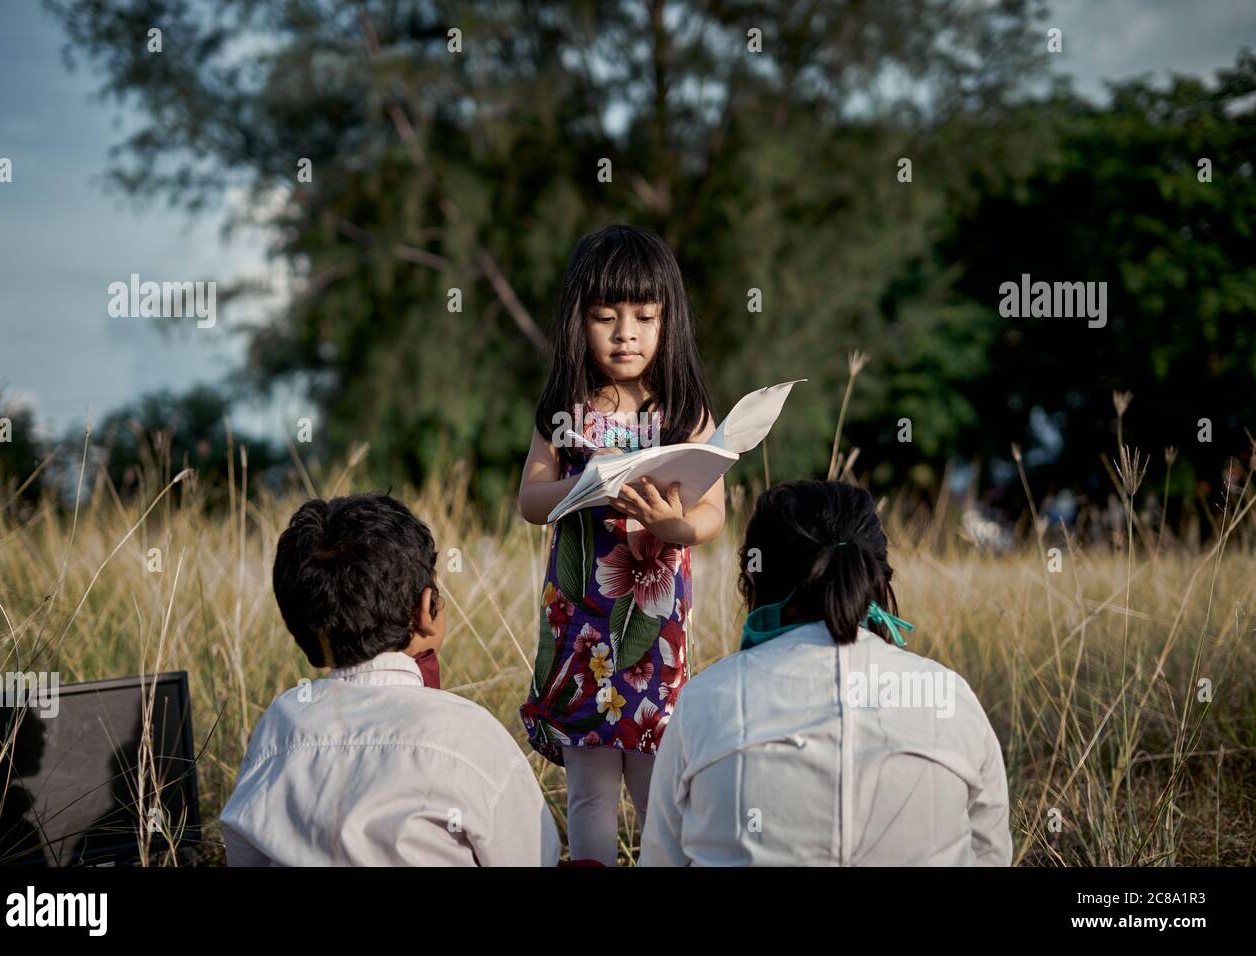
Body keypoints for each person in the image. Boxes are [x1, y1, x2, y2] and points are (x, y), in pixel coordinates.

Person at [640, 480, 1012, 866]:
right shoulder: (950, 698)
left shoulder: (702, 703)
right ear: (878, 578)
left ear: (751, 578)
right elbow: (992, 855)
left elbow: (660, 859)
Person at [517, 223, 725, 865]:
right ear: (578, 320)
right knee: (588, 786)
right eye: (605, 316)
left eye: (644, 315)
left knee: (656, 779)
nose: (625, 333)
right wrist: (587, 485)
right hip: (581, 621)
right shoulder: (564, 409)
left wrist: (674, 527)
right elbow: (530, 500)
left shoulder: (685, 411)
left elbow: (713, 511)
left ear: (669, 321)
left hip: (653, 628)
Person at [220, 492, 560, 866]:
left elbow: (243, 853)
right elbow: (534, 856)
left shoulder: (278, 727)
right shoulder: (472, 735)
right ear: (428, 608)